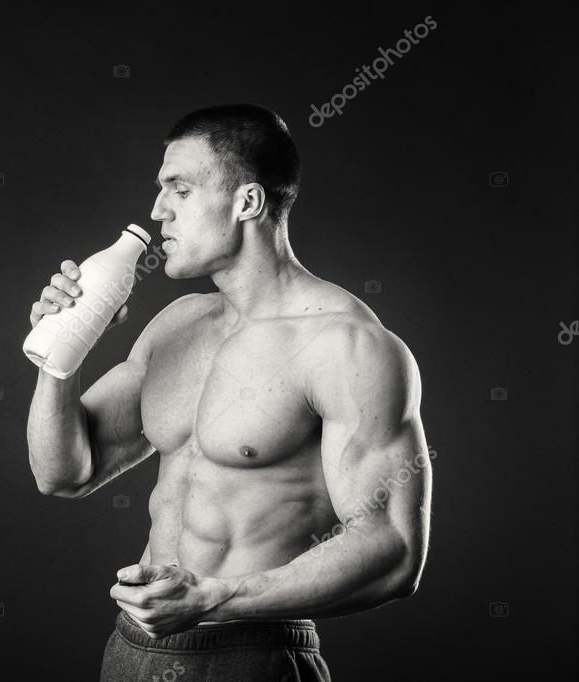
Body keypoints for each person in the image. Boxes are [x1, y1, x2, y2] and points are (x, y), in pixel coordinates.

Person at [25, 104, 431, 681]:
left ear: (247, 202)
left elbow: (392, 552)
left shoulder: (345, 345)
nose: (157, 210)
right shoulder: (178, 325)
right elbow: (61, 473)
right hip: (132, 652)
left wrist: (215, 598)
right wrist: (63, 351)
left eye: (180, 189)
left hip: (249, 655)